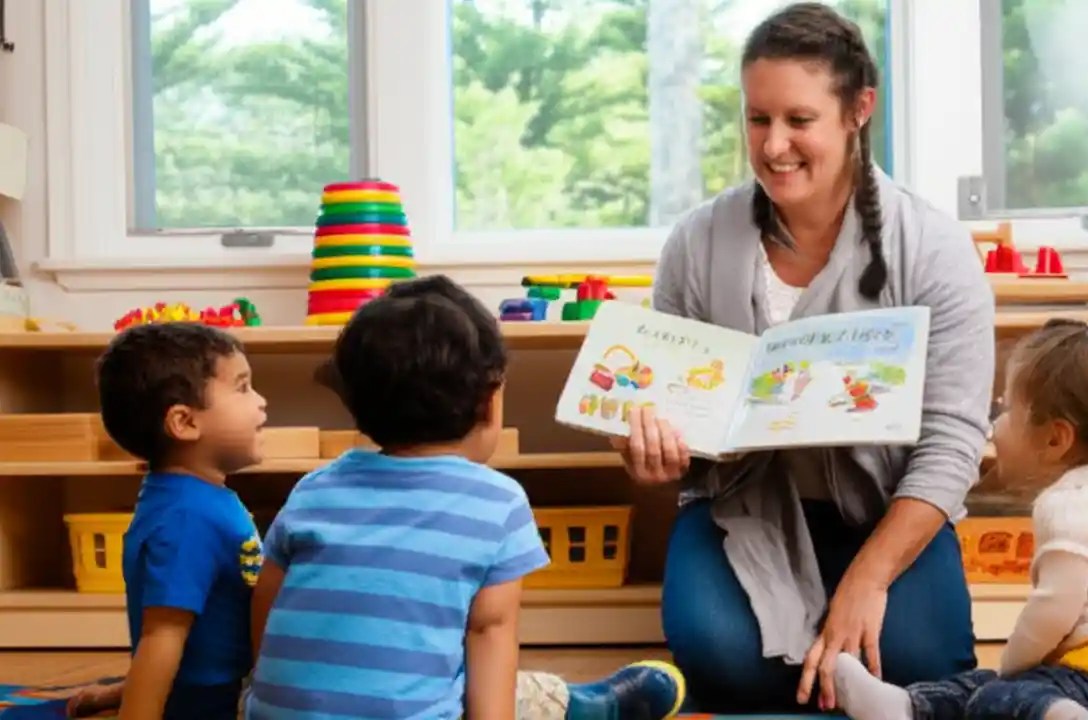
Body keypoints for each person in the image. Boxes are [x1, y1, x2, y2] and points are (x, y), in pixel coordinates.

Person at [612, 2, 995, 713]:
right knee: (721, 658)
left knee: (915, 660)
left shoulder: (935, 249)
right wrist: (653, 453)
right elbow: (670, 407)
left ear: (858, 110)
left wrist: (867, 583)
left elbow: (952, 443)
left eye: (799, 120)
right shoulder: (697, 243)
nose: (774, 144)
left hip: (887, 507)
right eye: (758, 120)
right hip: (743, 504)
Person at [245, 276, 685, 719]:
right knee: (520, 693)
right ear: (489, 401)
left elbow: (269, 606)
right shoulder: (498, 503)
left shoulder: (313, 490)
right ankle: (589, 707)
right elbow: (489, 632)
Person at [833, 319, 1088, 720]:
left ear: (1055, 438)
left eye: (1007, 409)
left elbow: (1056, 607)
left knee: (1001, 693)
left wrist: (1014, 664)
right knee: (983, 684)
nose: (996, 425)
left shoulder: (1070, 499)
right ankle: (906, 708)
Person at [96, 323, 269, 720]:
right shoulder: (186, 518)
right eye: (242, 387)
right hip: (212, 703)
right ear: (185, 423)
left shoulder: (194, 498)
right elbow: (162, 633)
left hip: (220, 684)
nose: (261, 401)